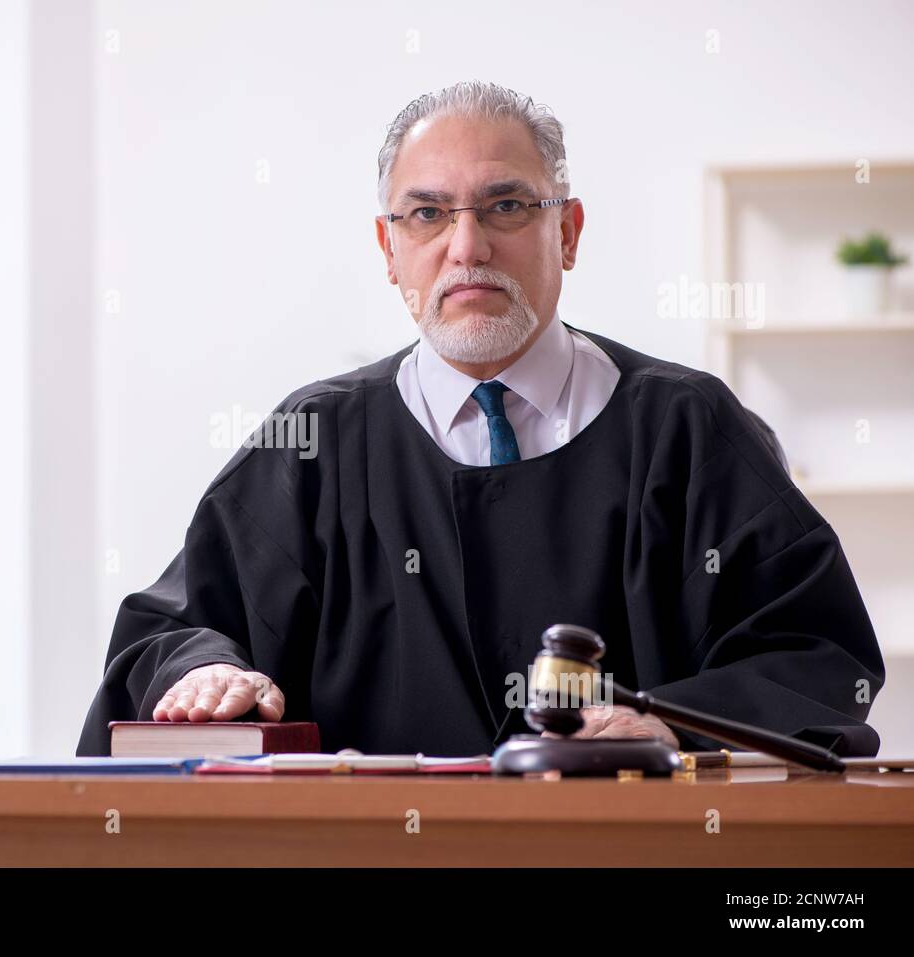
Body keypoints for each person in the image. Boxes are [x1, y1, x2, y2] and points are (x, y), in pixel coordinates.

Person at [76, 80, 884, 758]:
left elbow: (815, 655)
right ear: (388, 249)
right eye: (426, 214)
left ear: (565, 232)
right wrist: (212, 673)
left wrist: (665, 724)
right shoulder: (312, 441)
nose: (466, 247)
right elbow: (172, 630)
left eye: (504, 206)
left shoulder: (690, 429)